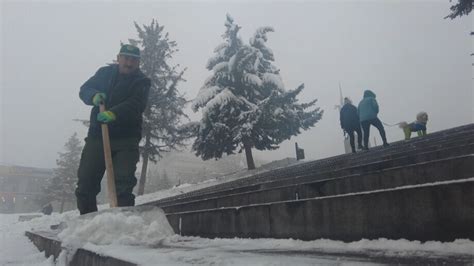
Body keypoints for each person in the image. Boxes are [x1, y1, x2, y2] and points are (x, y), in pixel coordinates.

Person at [76, 44, 151, 215]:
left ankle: (121, 225)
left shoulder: (142, 81)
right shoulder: (104, 74)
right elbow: (84, 89)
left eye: (133, 60)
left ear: (138, 62)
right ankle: (89, 222)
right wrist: (93, 95)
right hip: (98, 137)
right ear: (118, 58)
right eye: (126, 58)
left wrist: (114, 113)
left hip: (126, 140)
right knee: (86, 182)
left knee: (123, 185)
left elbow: (136, 104)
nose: (129, 63)